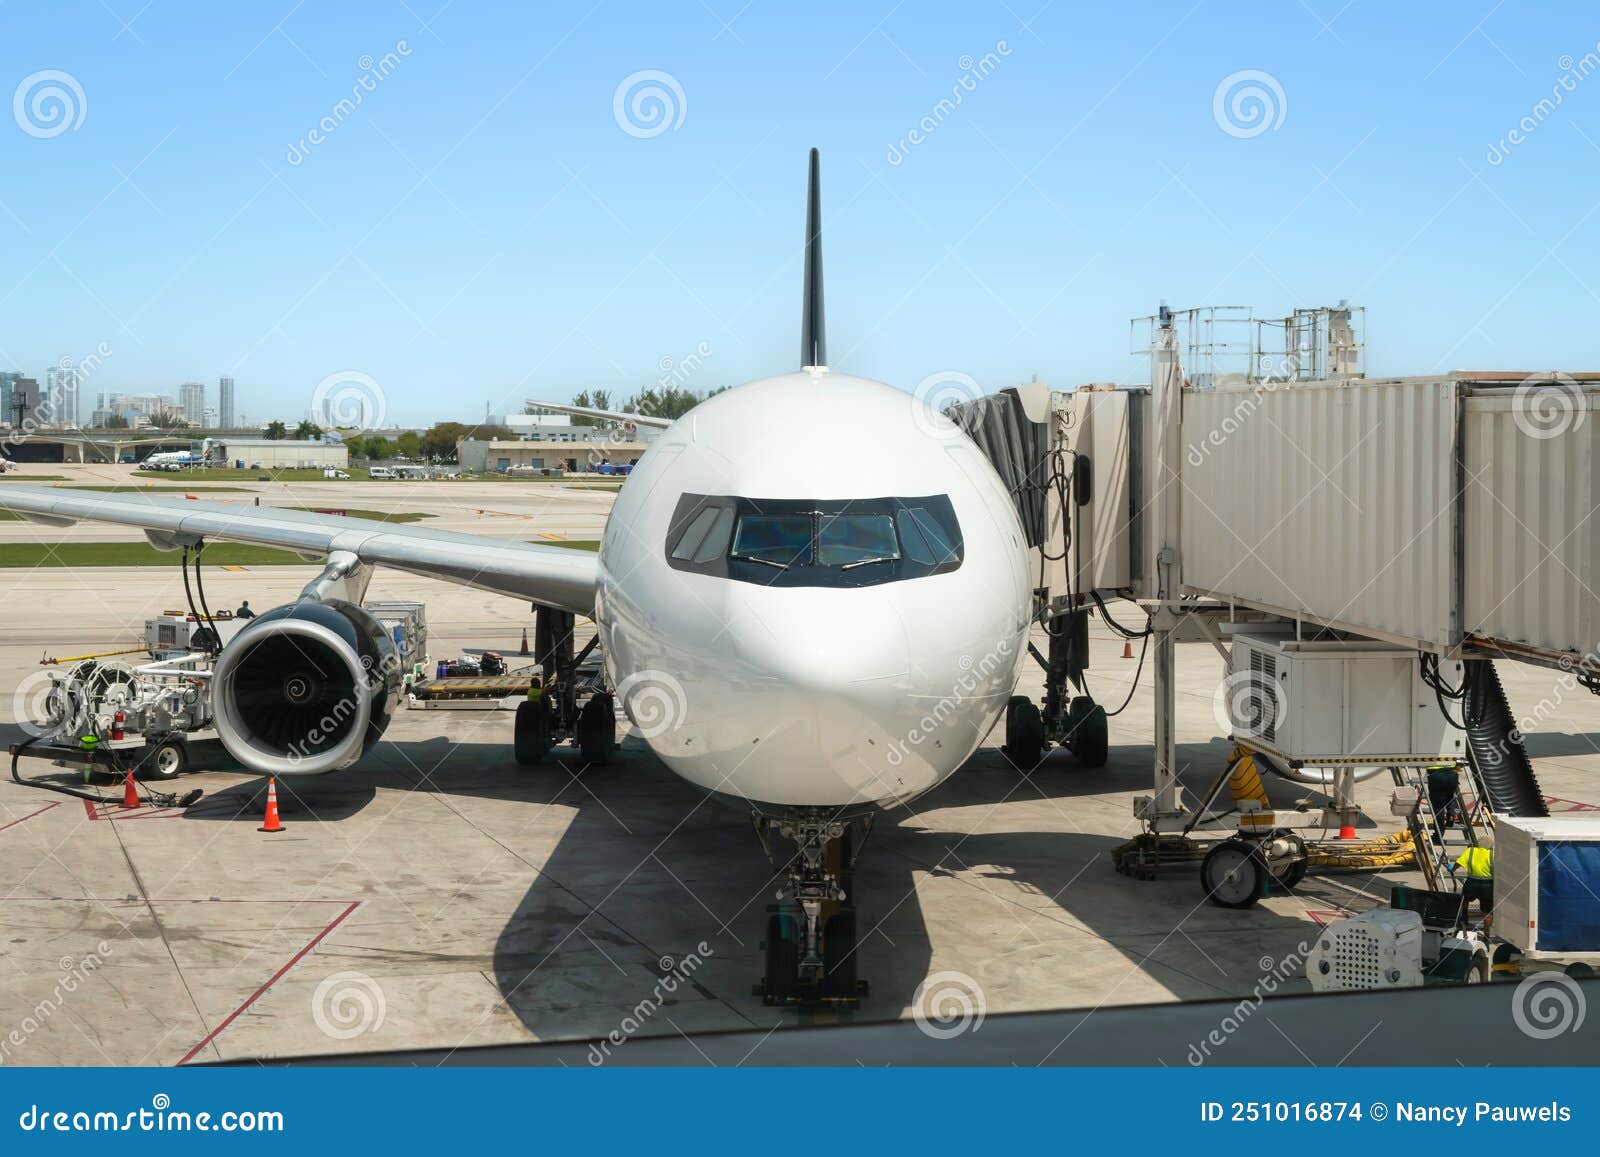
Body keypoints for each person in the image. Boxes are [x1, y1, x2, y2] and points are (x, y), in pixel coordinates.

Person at [1449, 832, 1494, 915]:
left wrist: (1452, 869)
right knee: (1487, 910)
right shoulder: (1492, 854)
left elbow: (1459, 862)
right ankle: (1486, 927)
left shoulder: (1471, 851)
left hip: (1472, 882)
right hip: (1488, 885)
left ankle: (1464, 918)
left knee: (1465, 900)